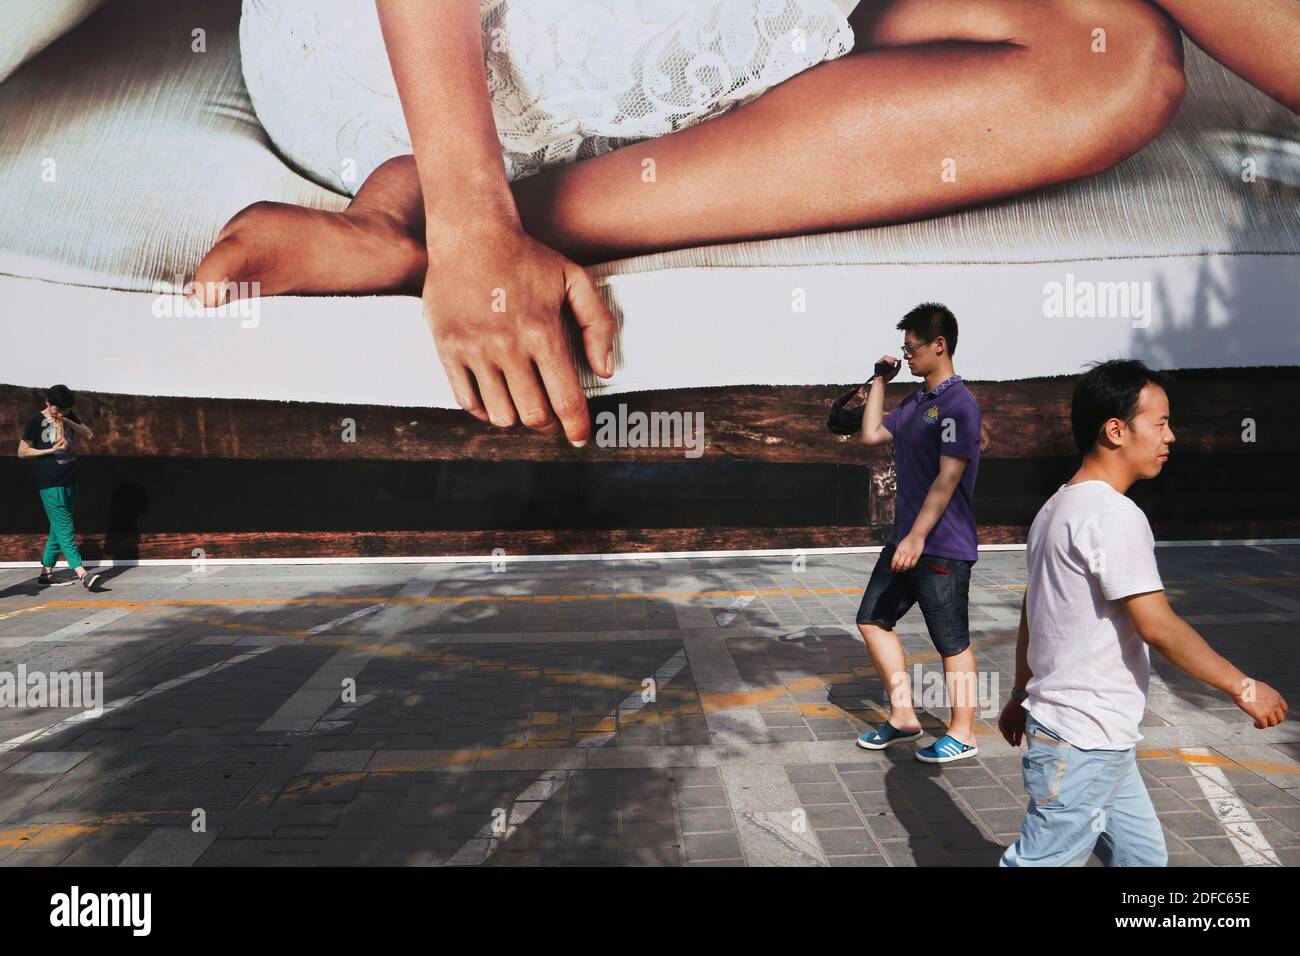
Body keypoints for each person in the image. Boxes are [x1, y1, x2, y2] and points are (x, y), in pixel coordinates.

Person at [188, 0, 1300, 447]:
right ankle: (459, 206)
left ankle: (435, 219)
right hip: (431, 50)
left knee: (1112, 62)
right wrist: (474, 222)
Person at [997, 360, 1288, 866]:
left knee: (1143, 859)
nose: (1169, 436)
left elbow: (1033, 610)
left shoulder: (1055, 508)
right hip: (1083, 740)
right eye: (1159, 423)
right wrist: (1243, 687)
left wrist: (1022, 692)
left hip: (1095, 736)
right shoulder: (1113, 514)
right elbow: (1158, 626)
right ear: (1115, 430)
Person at [853, 303, 982, 763]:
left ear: (939, 345)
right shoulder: (916, 402)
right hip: (906, 541)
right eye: (904, 348)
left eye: (912, 348)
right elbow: (870, 435)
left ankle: (963, 733)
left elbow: (949, 477)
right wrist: (880, 382)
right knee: (872, 620)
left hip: (941, 544)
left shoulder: (958, 405)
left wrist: (917, 536)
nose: (906, 355)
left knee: (952, 642)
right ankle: (904, 716)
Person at [16, 385, 103, 591]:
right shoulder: (35, 421)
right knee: (65, 528)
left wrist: (66, 419)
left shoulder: (66, 415)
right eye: (58, 409)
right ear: (48, 402)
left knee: (58, 528)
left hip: (70, 480)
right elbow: (22, 452)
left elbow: (88, 434)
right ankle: (82, 573)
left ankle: (46, 574)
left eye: (66, 409)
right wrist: (50, 450)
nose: (62, 412)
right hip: (50, 481)